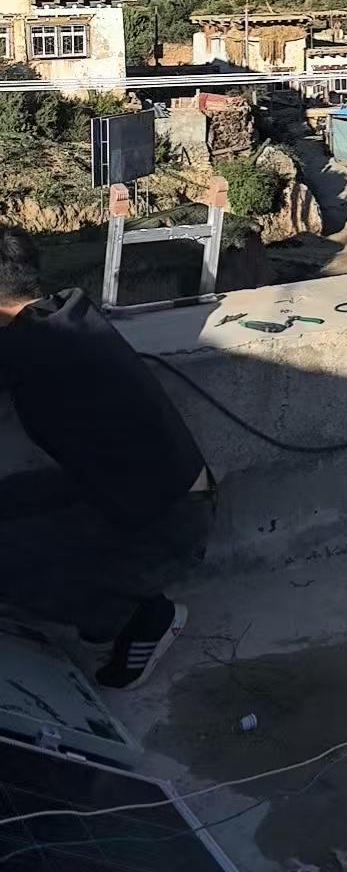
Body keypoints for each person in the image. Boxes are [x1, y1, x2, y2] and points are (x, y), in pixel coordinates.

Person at [0, 227, 212, 689]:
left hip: (164, 525)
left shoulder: (30, 347)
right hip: (157, 495)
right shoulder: (66, 311)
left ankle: (136, 615)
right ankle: (104, 607)